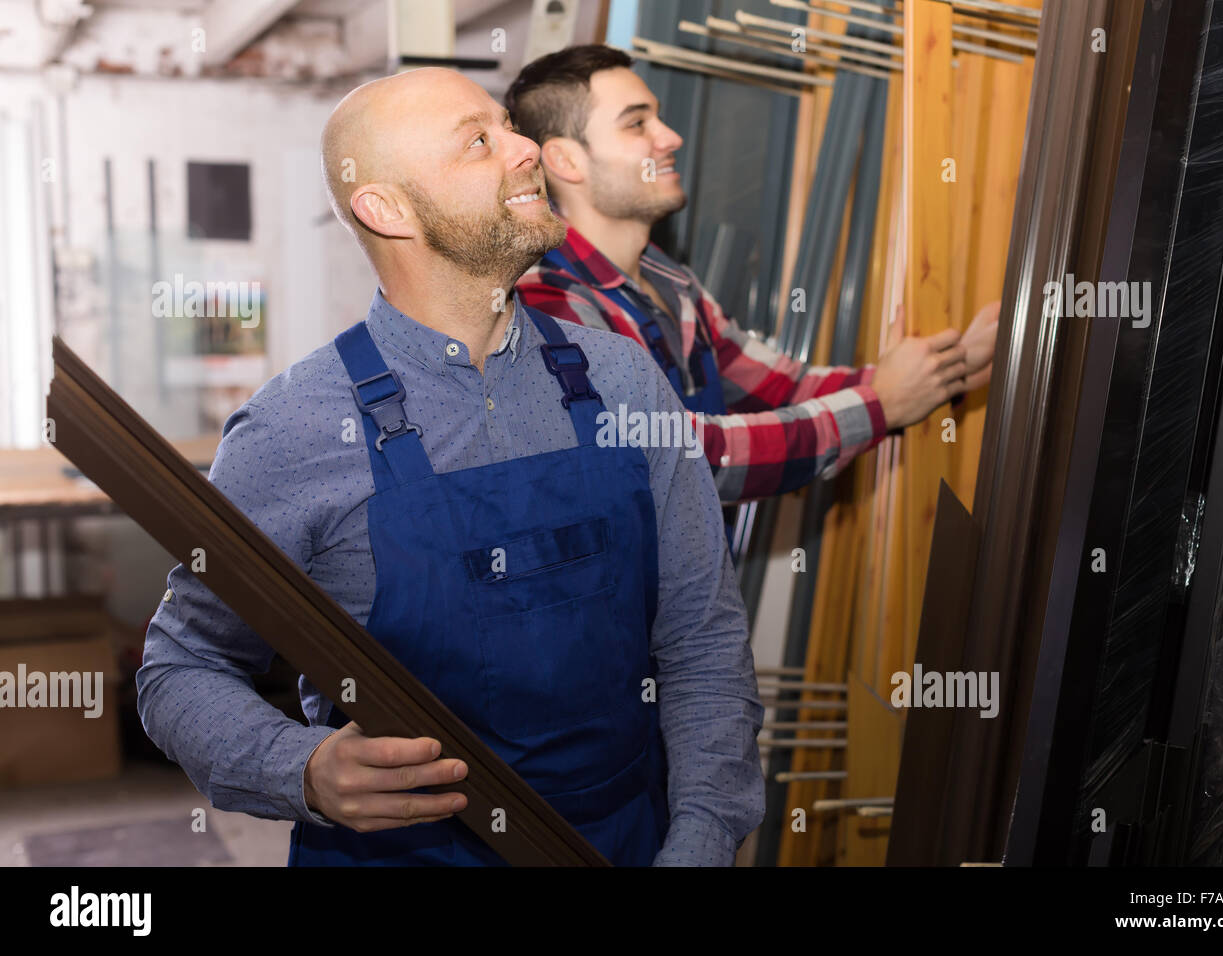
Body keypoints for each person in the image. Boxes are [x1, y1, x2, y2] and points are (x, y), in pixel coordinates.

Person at [136, 67, 763, 867]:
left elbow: (701, 636)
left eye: (508, 125)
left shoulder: (623, 380)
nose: (526, 148)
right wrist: (302, 769)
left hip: (623, 844)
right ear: (386, 208)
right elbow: (183, 664)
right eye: (479, 142)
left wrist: (704, 837)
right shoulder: (290, 431)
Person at [506, 45, 999, 504]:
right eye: (637, 124)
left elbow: (782, 390)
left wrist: (945, 367)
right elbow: (683, 455)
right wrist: (881, 405)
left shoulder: (671, 283)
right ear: (565, 160)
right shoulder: (547, 304)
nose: (670, 136)